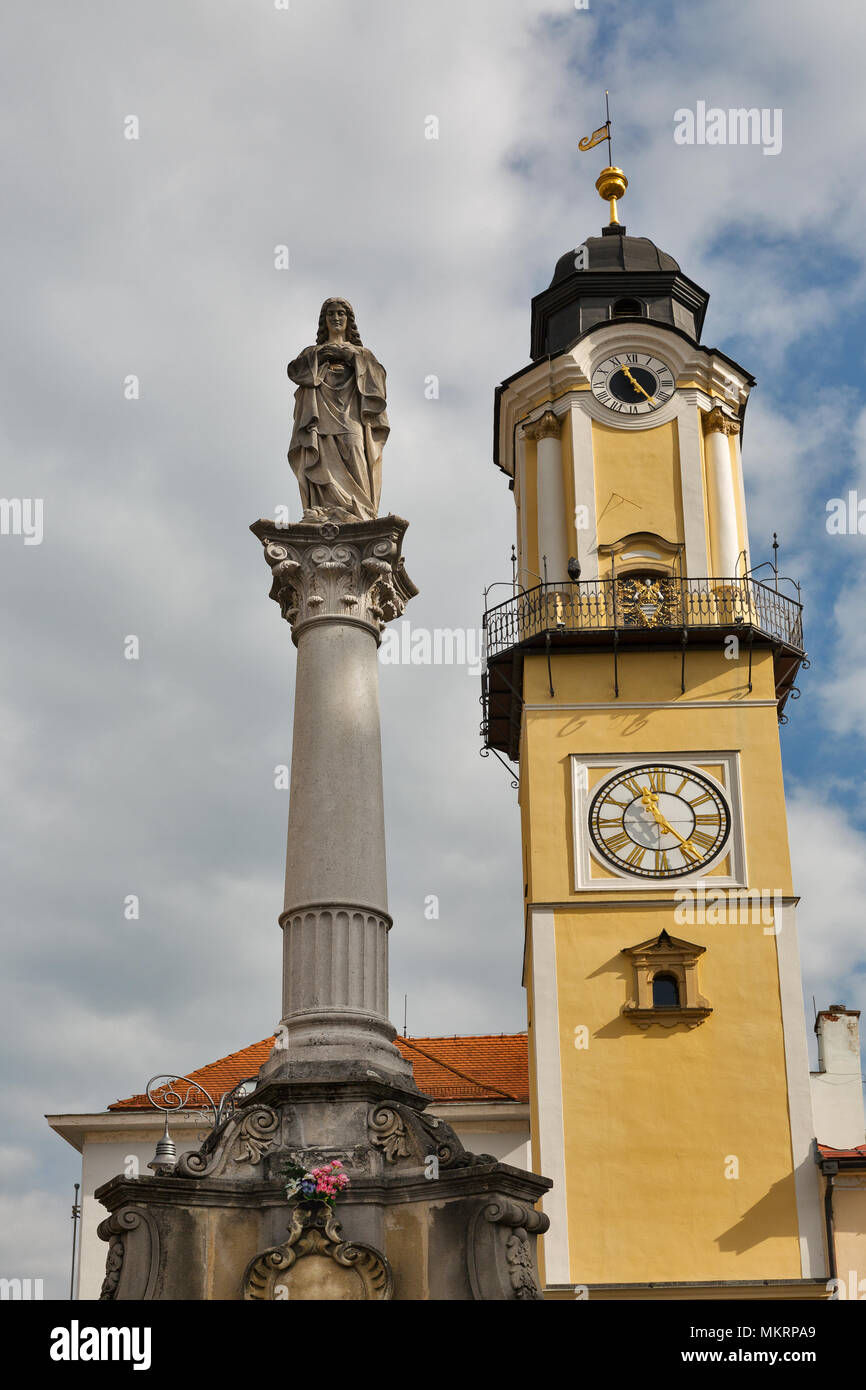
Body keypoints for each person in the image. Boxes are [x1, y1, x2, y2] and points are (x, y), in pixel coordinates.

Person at [287, 298, 389, 522]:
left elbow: (378, 381)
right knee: (321, 457)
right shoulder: (313, 352)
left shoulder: (362, 354)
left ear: (348, 320)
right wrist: (320, 356)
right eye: (331, 314)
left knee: (354, 448)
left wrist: (351, 357)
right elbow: (295, 372)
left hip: (351, 412)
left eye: (341, 313)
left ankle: (361, 511)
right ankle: (323, 509)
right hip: (319, 415)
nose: (336, 318)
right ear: (324, 320)